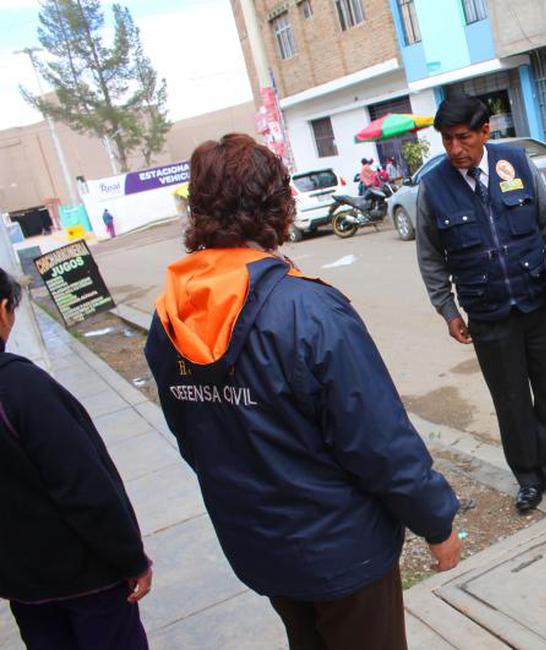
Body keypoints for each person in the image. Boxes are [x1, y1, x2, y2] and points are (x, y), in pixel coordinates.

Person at [143, 133, 462, 649]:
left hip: (260, 547)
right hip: (343, 552)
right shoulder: (308, 311)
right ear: (280, 204)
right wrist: (436, 520)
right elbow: (379, 443)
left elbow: (196, 441)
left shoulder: (171, 318)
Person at [415, 94, 546, 514]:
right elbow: (430, 257)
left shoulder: (516, 164)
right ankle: (528, 479)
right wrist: (448, 309)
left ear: (485, 132)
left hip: (537, 300)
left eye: (463, 138)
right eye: (446, 140)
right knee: (510, 400)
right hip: (487, 312)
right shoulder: (433, 187)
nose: (455, 149)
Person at [0, 268, 152, 649]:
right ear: (4, 312)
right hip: (87, 583)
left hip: (23, 587)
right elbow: (84, 487)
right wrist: (131, 558)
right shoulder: (23, 389)